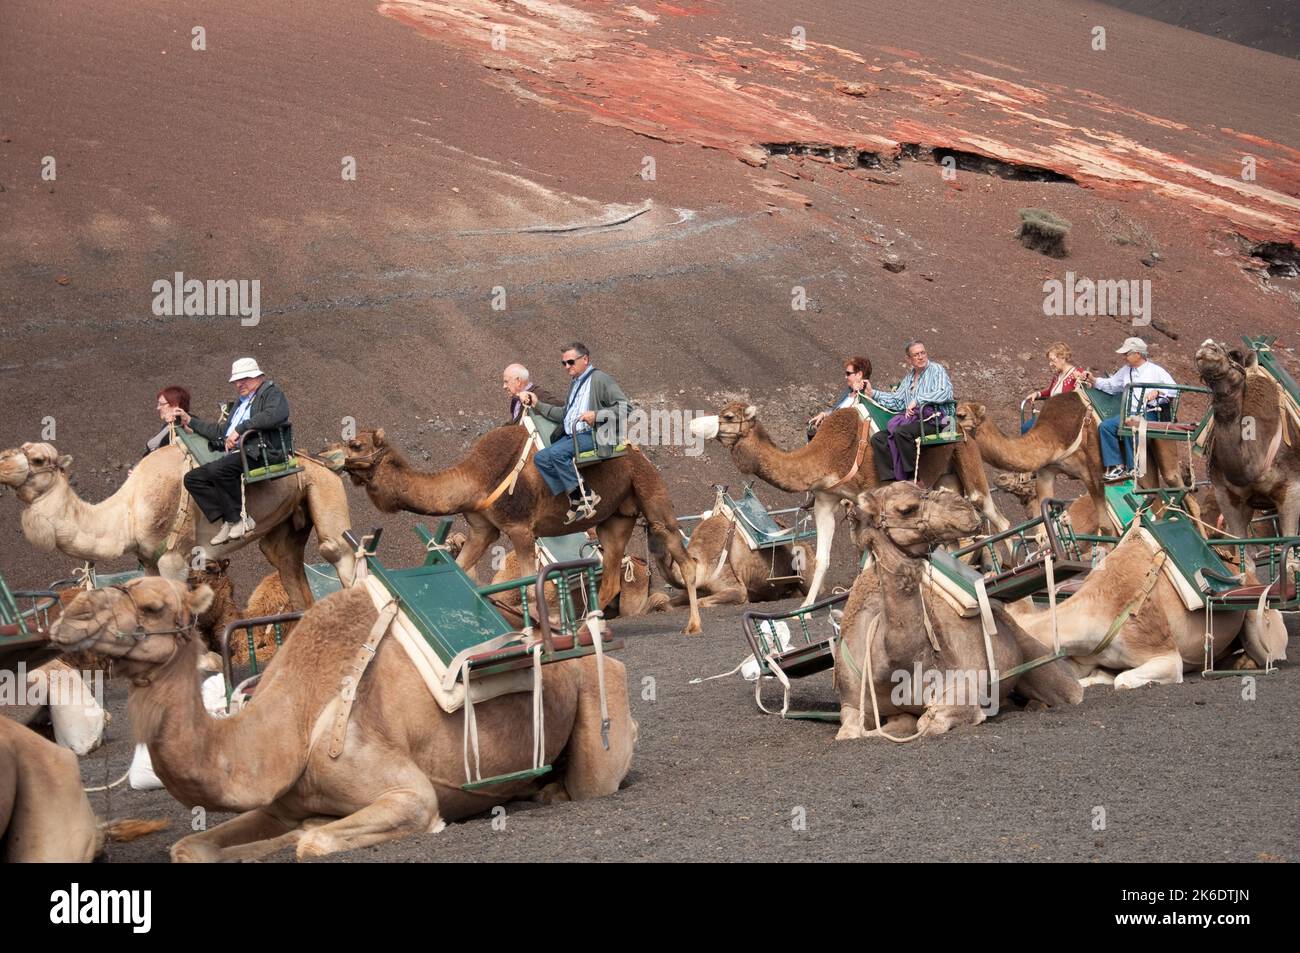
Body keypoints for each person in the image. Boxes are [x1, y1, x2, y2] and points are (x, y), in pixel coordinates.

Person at [167, 358, 292, 544]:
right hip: (240, 453)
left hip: (262, 452)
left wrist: (240, 429)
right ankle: (230, 519)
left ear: (258, 377)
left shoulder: (271, 392)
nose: (239, 384)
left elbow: (275, 415)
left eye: (245, 379)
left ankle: (237, 519)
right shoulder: (240, 404)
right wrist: (190, 421)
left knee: (219, 469)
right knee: (192, 479)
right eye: (236, 380)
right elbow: (221, 432)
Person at [519, 342, 630, 524]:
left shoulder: (600, 379)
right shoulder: (575, 384)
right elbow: (565, 415)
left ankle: (586, 494)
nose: (567, 367)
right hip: (574, 436)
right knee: (541, 458)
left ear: (585, 359)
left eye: (570, 362)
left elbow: (626, 408)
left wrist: (597, 415)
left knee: (555, 453)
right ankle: (576, 498)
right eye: (564, 363)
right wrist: (537, 404)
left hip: (594, 436)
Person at [1080, 336, 1175, 483]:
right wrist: (1093, 380)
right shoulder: (1126, 371)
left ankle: (1135, 466)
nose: (1124, 357)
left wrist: (1158, 391)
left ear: (1138, 354)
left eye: (1127, 354)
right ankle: (1116, 466)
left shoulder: (1156, 371)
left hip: (1150, 413)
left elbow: (1173, 389)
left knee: (1132, 423)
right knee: (1106, 427)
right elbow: (1111, 385)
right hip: (1130, 414)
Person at [868, 340, 954, 483]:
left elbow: (944, 392)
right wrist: (873, 393)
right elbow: (897, 401)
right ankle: (892, 480)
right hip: (915, 420)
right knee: (878, 438)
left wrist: (918, 400)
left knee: (901, 432)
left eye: (923, 353)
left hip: (937, 419)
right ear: (909, 359)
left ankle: (913, 478)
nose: (921, 357)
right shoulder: (909, 379)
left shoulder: (936, 370)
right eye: (916, 355)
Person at [1021, 342, 1084, 433]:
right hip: (1051, 417)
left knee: (1029, 428)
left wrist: (1081, 379)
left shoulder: (1077, 373)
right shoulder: (1057, 375)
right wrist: (1037, 394)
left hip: (1064, 420)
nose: (1050, 364)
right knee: (1027, 426)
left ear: (1062, 358)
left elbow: (1085, 387)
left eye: (1052, 360)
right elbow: (1050, 392)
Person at [807, 356, 872, 440]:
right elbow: (836, 410)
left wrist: (858, 393)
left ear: (859, 375)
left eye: (848, 373)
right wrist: (825, 414)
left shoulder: (866, 397)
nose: (845, 377)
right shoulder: (848, 391)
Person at [502, 363, 559, 442]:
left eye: (506, 382)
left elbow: (562, 410)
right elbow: (515, 421)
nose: (504, 386)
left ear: (518, 381)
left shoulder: (540, 395)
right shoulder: (516, 399)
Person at [144, 385, 191, 455]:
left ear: (175, 405)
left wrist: (184, 423)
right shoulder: (170, 423)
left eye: (161, 404)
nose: (158, 408)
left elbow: (191, 432)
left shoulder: (186, 423)